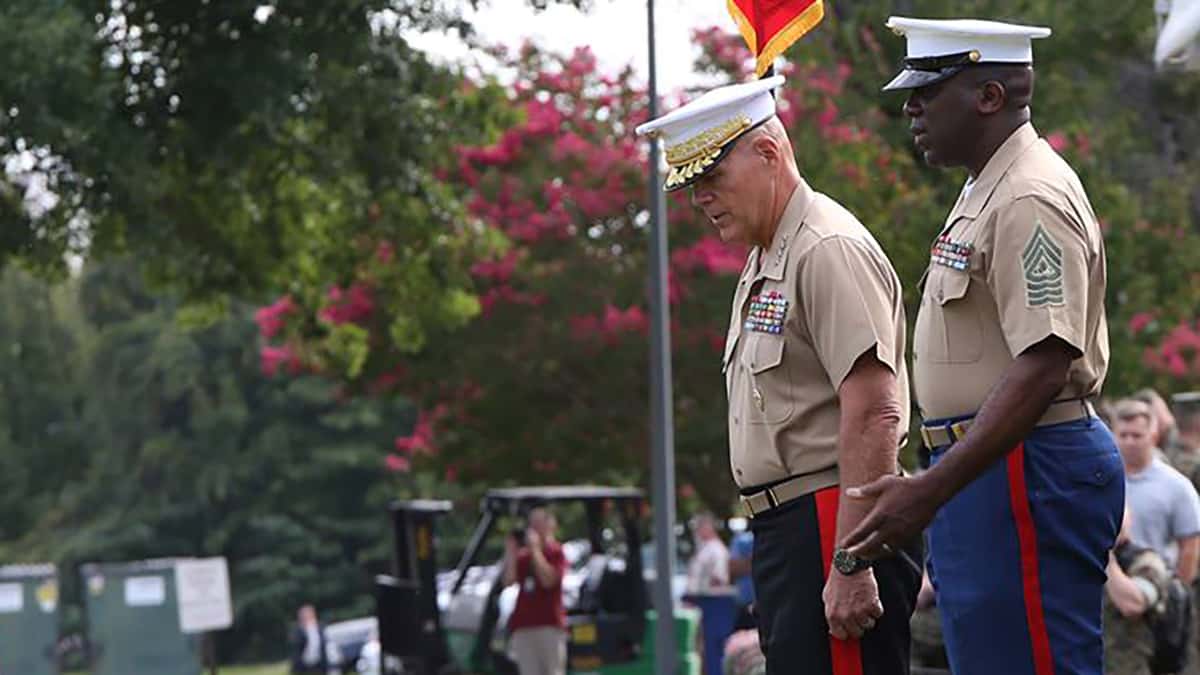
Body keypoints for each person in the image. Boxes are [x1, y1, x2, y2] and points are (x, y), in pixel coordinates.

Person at [843, 17, 1124, 675]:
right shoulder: (988, 186)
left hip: (1026, 466)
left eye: (927, 91)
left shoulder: (1028, 192)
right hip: (989, 470)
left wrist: (931, 486)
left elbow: (1047, 359)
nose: (910, 106)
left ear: (990, 97)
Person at [637, 76, 921, 674]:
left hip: (830, 523)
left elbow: (875, 409)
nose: (701, 199)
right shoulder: (770, 254)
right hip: (791, 530)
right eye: (693, 186)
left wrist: (851, 559)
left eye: (712, 179)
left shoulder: (826, 247)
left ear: (768, 153)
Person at [1114, 399, 1200, 584]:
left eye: (1136, 435)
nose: (1129, 442)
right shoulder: (1101, 481)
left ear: (1153, 437)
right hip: (1108, 589)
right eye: (1123, 435)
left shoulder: (1176, 486)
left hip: (1156, 587)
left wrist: (1177, 593)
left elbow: (1190, 546)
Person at [1105, 506, 1175, 675]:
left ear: (1128, 523)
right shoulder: (1082, 562)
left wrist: (1106, 558)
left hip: (1129, 667)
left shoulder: (1147, 562)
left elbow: (1132, 604)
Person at [503, 506, 568, 675]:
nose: (534, 528)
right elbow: (509, 580)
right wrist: (510, 552)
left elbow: (548, 581)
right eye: (532, 524)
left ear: (550, 525)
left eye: (538, 523)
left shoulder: (556, 552)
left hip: (549, 626)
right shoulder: (524, 557)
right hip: (523, 626)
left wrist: (535, 550)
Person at [686, 513, 730, 594]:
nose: (696, 531)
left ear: (708, 527)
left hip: (709, 599)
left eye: (699, 527)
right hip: (697, 598)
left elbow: (718, 577)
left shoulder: (717, 549)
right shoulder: (703, 547)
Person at [727, 520, 756, 630]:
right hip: (748, 600)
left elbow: (732, 568)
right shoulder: (741, 540)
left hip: (748, 600)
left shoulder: (740, 540)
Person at [290, 604, 328, 675]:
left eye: (308, 615)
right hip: (304, 665)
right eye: (304, 616)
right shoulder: (297, 631)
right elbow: (296, 649)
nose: (306, 618)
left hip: (320, 663)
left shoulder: (320, 627)